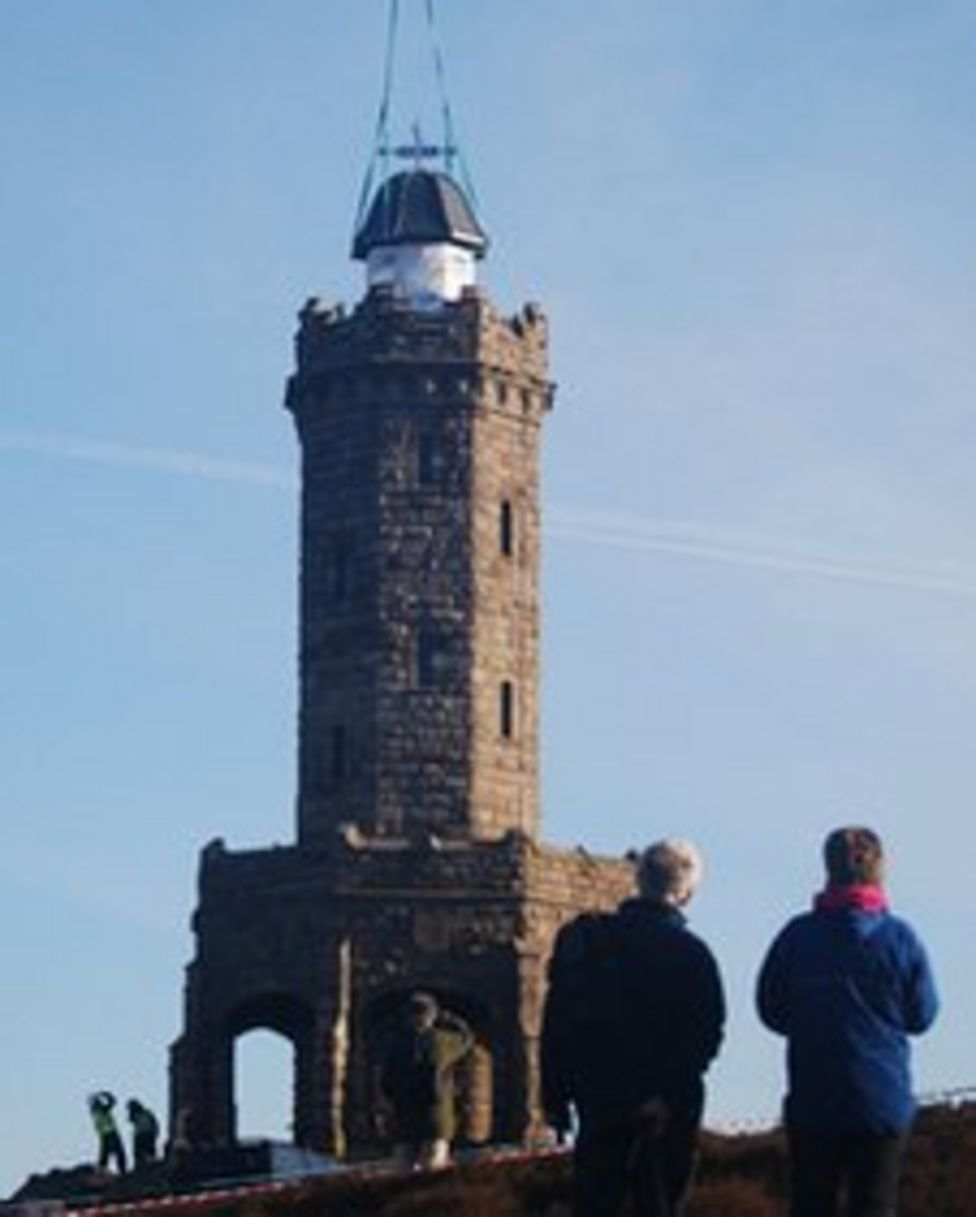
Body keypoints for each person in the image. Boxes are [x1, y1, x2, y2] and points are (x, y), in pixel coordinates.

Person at [756, 826, 939, 1217]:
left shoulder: (797, 937)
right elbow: (922, 1015)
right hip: (881, 1099)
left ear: (828, 868)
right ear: (879, 870)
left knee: (810, 1204)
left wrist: (809, 1024)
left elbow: (769, 1007)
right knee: (874, 1205)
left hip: (814, 1098)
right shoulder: (901, 939)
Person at [541, 839, 725, 1217]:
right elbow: (704, 1035)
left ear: (638, 879)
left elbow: (557, 1020)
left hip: (598, 1100)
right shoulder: (691, 954)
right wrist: (666, 1093)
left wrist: (554, 1095)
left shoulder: (587, 941)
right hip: (665, 1110)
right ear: (686, 892)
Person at [381, 990, 473, 1170]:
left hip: (404, 1119)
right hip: (436, 1120)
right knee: (432, 1178)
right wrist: (448, 1018)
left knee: (401, 1177)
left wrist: (392, 1103)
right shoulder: (443, 1041)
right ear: (432, 1016)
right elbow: (467, 1037)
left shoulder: (396, 1043)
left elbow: (386, 1081)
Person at [88, 1091, 127, 1174]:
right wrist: (104, 1094)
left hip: (104, 1135)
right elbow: (112, 1101)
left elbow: (112, 1102)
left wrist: (103, 1095)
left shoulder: (96, 1111)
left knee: (105, 1155)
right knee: (118, 1153)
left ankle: (101, 1172)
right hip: (110, 1133)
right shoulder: (101, 1110)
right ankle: (121, 1172)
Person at [126, 1098, 160, 1167]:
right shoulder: (135, 1115)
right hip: (140, 1134)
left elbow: (154, 1122)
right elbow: (130, 1120)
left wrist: (155, 1132)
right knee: (139, 1153)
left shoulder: (147, 1112)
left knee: (149, 1151)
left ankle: (151, 1165)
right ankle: (140, 1166)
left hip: (147, 1134)